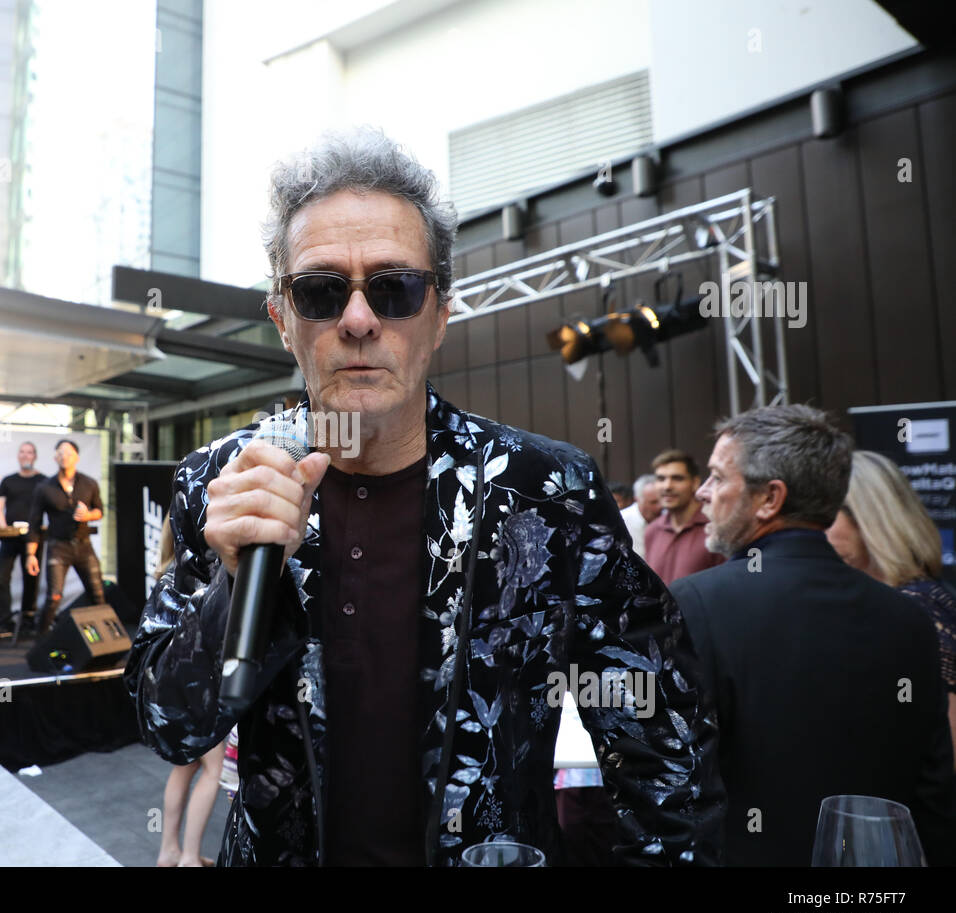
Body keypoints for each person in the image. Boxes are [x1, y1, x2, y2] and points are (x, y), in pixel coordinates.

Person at [125, 128, 724, 867]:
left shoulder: (547, 490)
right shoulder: (221, 481)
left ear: (439, 315)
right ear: (282, 319)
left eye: (395, 287)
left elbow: (657, 738)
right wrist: (230, 586)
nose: (357, 319)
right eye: (319, 290)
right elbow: (171, 728)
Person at [670, 406, 956, 866]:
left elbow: (673, 784)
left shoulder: (694, 603)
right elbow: (934, 796)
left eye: (718, 478)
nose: (703, 493)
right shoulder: (909, 619)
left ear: (770, 498)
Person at [827, 450, 956, 765]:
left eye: (826, 517)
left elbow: (951, 748)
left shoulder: (920, 607)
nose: (813, 534)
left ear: (871, 519)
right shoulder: (894, 600)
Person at [151, 517, 224, 867]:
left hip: (175, 682)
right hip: (200, 682)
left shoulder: (167, 573)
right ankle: (190, 857)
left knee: (185, 765)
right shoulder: (207, 569)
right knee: (213, 769)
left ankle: (170, 851)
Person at [27, 439, 105, 633]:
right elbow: (34, 524)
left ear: (76, 457)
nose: (64, 457)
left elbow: (100, 511)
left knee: (98, 594)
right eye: (60, 453)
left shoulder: (89, 483)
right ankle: (42, 641)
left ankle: (106, 642)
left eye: (68, 453)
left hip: (84, 546)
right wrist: (31, 555)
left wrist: (88, 515)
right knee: (54, 596)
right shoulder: (44, 487)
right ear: (55, 457)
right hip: (58, 547)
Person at [643, 449, 723, 584]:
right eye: (661, 479)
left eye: (677, 478)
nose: (667, 486)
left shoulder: (716, 528)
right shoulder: (652, 531)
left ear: (695, 483)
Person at [0, 441, 45, 637]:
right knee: (2, 579)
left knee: (31, 578)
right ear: (18, 456)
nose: (25, 455)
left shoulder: (43, 481)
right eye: (22, 452)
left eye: (29, 452)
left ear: (35, 456)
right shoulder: (8, 481)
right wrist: (3, 528)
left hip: (33, 537)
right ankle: (5, 621)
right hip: (9, 537)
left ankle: (28, 620)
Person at [619, 473, 660, 558]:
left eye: (661, 501)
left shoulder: (670, 517)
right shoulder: (621, 521)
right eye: (653, 502)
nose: (660, 507)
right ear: (637, 500)